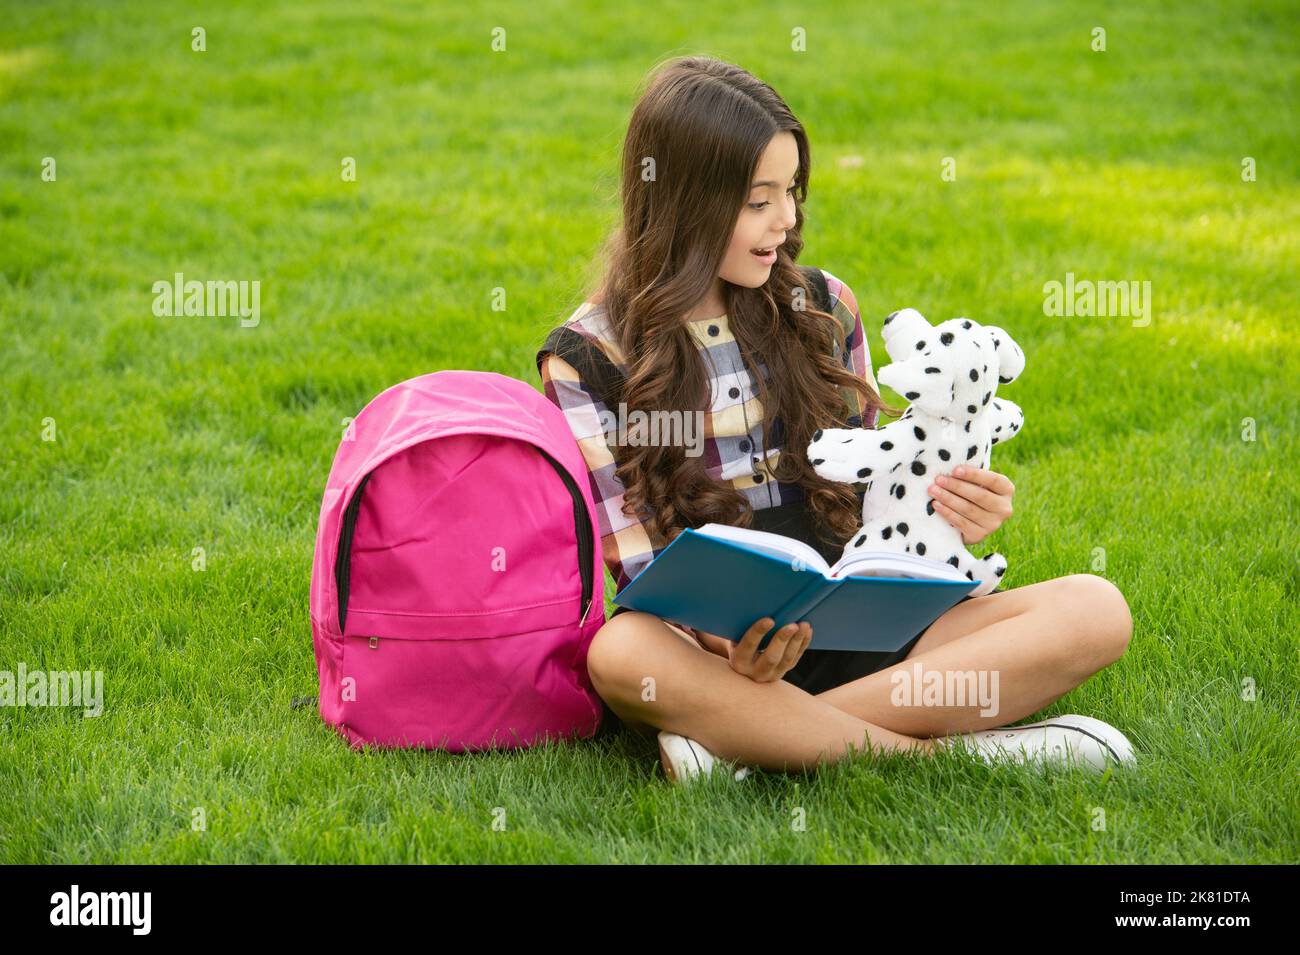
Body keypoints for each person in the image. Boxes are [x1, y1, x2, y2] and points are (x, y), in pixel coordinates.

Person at [536, 55, 1135, 783]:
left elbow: (873, 495)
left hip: (862, 617)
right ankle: (943, 754)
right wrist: (729, 644)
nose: (786, 221)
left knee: (1096, 609)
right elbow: (637, 567)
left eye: (790, 192)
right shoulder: (587, 355)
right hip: (716, 652)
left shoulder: (823, 305)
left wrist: (957, 512)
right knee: (621, 653)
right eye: (759, 200)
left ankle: (756, 745)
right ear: (684, 202)